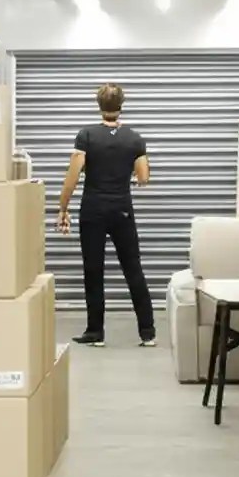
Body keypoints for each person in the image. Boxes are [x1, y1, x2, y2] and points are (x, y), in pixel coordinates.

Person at [57, 83, 155, 347]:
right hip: (122, 209)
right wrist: (123, 173)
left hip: (93, 210)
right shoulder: (135, 138)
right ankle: (147, 333)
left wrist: (62, 208)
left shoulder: (86, 136)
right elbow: (144, 178)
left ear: (98, 105)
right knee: (133, 268)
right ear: (122, 105)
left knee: (93, 270)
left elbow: (73, 176)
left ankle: (95, 333)